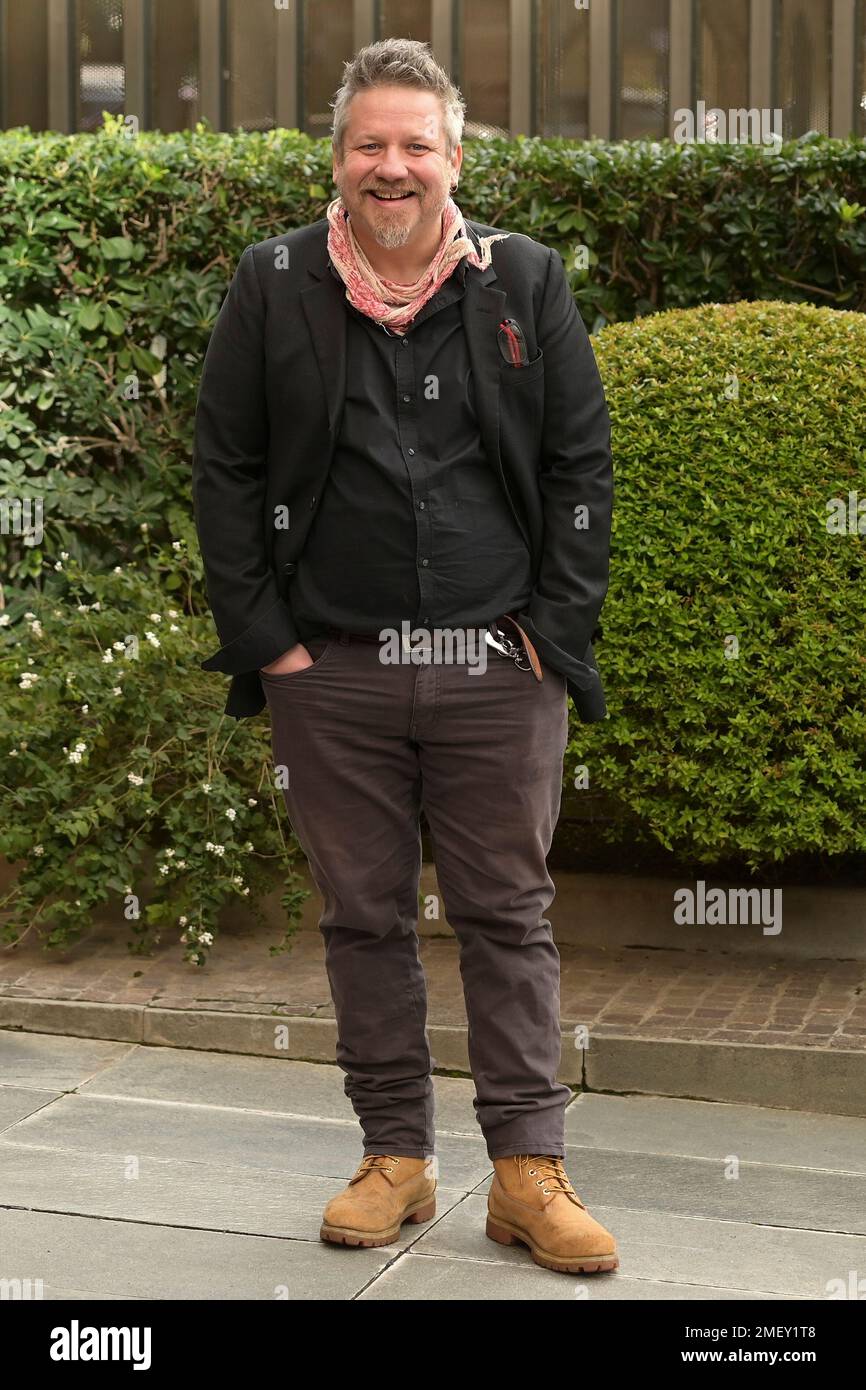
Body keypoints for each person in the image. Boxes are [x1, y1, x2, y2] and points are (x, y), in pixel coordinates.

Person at [192, 38, 617, 1277]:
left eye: (414, 146)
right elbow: (224, 469)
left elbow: (578, 466)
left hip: (498, 667)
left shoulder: (523, 282)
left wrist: (551, 635)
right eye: (369, 145)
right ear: (336, 160)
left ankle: (528, 1172)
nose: (393, 167)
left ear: (453, 159)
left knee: (507, 914)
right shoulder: (271, 284)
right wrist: (265, 641)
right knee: (362, 917)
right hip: (334, 671)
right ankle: (396, 1156)